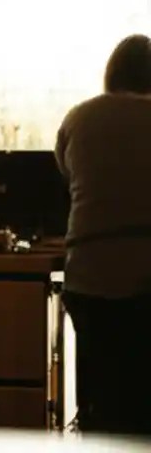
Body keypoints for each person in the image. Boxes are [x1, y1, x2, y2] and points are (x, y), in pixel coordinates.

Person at [56, 34, 151, 435]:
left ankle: (94, 424)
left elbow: (66, 173)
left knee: (102, 399)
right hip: (146, 285)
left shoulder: (77, 119)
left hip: (89, 282)